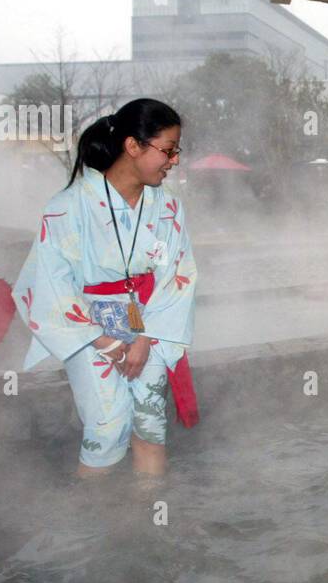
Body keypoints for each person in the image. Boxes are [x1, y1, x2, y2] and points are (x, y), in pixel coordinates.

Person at [12, 98, 199, 480]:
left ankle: (148, 515)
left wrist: (145, 336)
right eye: (168, 151)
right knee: (107, 426)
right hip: (89, 328)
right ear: (133, 146)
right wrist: (108, 343)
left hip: (150, 321)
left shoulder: (168, 208)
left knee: (150, 423)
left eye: (176, 152)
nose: (174, 161)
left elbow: (178, 274)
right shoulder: (68, 207)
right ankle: (93, 524)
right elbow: (52, 281)